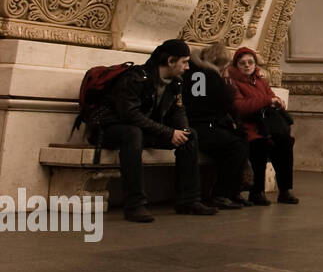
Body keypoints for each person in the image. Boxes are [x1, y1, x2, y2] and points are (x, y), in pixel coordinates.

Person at [87, 39, 214, 222]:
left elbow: (178, 110)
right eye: (184, 62)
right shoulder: (135, 78)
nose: (187, 67)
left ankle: (189, 200)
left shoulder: (175, 83)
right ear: (170, 61)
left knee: (189, 135)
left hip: (144, 130)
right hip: (109, 130)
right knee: (132, 133)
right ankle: (134, 204)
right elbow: (130, 115)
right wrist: (168, 133)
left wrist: (181, 130)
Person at [227, 46, 298, 205]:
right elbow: (240, 107)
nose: (247, 65)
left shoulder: (261, 81)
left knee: (285, 143)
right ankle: (256, 191)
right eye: (242, 62)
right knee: (260, 145)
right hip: (248, 127)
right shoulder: (233, 82)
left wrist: (277, 103)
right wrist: (266, 101)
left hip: (267, 126)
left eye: (250, 62)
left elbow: (271, 97)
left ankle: (286, 190)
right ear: (236, 65)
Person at [182, 43, 248, 209]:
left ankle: (231, 192)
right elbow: (225, 101)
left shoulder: (191, 71)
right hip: (203, 126)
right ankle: (222, 193)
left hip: (196, 123)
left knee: (237, 141)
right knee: (237, 146)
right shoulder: (210, 75)